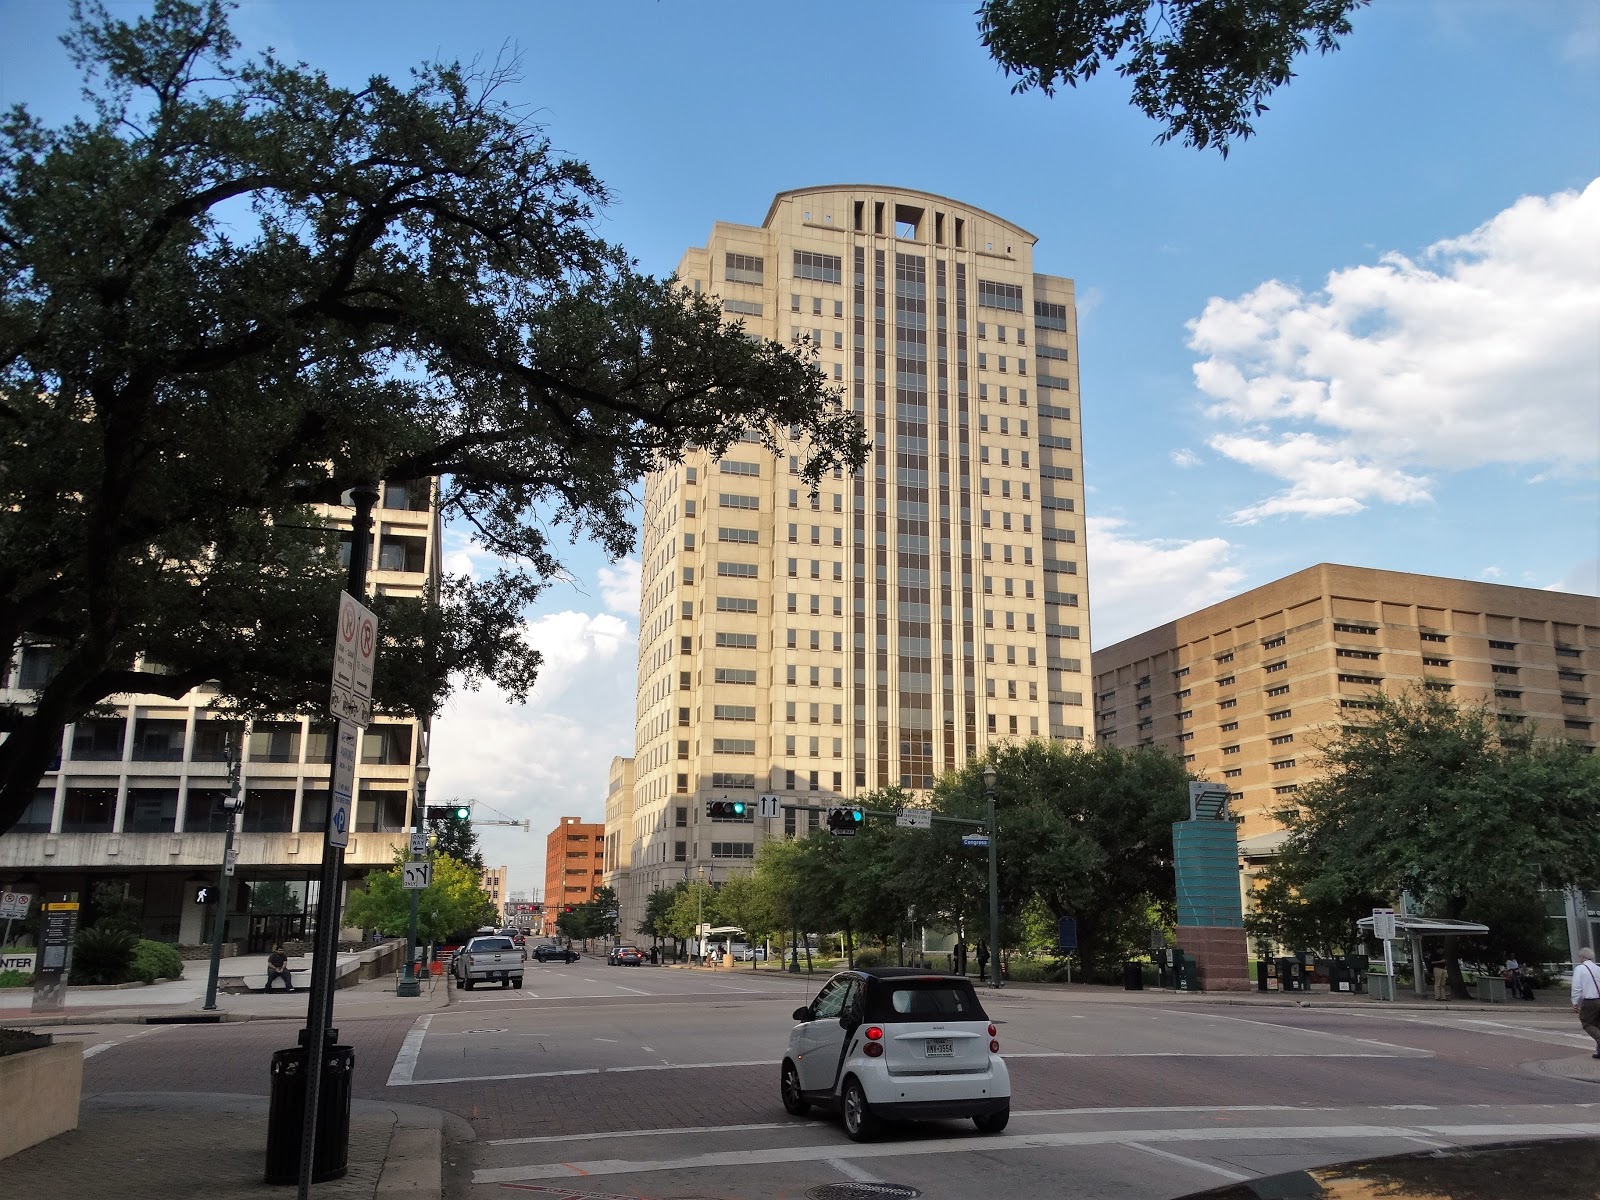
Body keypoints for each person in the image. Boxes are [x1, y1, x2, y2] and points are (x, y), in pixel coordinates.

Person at [1572, 947, 1600, 1059]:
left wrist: (1575, 1002)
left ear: (1583, 957)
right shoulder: (1598, 968)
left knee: (1586, 1022)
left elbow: (1577, 987)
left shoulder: (1580, 969)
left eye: (1579, 957)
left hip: (1590, 1001)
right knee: (1598, 1024)